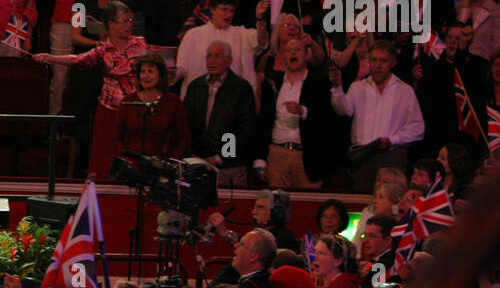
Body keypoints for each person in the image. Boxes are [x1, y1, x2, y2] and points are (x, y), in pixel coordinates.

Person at [35, 0, 147, 179]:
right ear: (111, 24)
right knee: (104, 157)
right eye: (124, 21)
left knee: (131, 157)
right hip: (108, 111)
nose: (129, 25)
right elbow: (77, 59)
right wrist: (50, 57)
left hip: (133, 111)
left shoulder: (140, 44)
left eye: (131, 21)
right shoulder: (103, 50)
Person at [329, 39, 425, 192]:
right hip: (363, 157)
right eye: (374, 60)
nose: (378, 65)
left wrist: (393, 140)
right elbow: (343, 110)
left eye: (383, 61)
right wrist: (337, 88)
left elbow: (418, 128)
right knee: (361, 204)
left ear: (393, 63)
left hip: (392, 157)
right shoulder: (358, 87)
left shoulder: (404, 91)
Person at [255, 34, 336, 189]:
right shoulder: (273, 83)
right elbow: (264, 121)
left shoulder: (319, 83)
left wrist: (303, 111)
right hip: (277, 154)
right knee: (277, 206)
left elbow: (328, 121)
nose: (293, 53)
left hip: (308, 156)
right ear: (283, 56)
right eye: (288, 50)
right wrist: (259, 158)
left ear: (307, 54)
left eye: (297, 50)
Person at [183, 40, 258, 184]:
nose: (212, 61)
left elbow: (245, 129)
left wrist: (220, 157)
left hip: (229, 167)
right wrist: (193, 155)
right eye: (209, 56)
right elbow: (186, 124)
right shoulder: (195, 86)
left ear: (229, 60)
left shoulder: (241, 88)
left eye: (217, 56)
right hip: (197, 164)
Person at [114, 53, 190, 161]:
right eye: (142, 71)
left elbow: (184, 138)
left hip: (162, 165)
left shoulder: (173, 101)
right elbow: (116, 139)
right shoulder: (128, 101)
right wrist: (127, 161)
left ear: (160, 75)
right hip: (131, 166)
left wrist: (171, 163)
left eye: (150, 71)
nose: (146, 76)